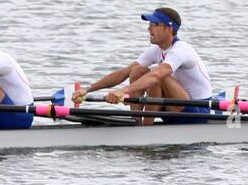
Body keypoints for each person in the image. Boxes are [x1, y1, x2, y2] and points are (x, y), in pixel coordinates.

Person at [75, 8, 212, 121]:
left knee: (157, 72)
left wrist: (123, 91)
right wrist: (88, 89)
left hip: (196, 111)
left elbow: (157, 75)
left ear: (169, 28)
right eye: (150, 24)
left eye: (154, 24)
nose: (149, 28)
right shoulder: (156, 50)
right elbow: (124, 73)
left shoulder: (181, 50)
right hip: (172, 107)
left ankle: (146, 126)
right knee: (137, 70)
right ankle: (137, 121)